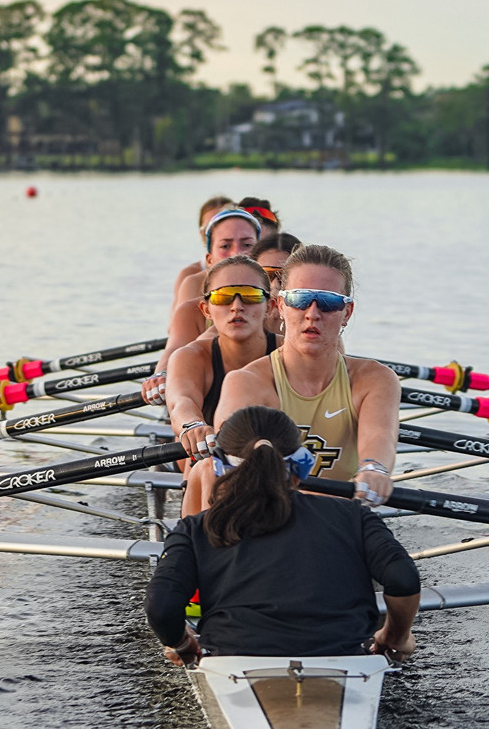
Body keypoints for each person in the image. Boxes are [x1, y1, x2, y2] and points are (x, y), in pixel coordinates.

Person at [146, 405, 420, 665]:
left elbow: (161, 607)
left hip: (233, 657)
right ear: (302, 466)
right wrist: (394, 637)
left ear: (218, 468)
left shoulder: (196, 527)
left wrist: (183, 646)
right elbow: (403, 578)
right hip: (342, 656)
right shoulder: (353, 516)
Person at [213, 244, 399, 508]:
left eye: (328, 302)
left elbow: (379, 436)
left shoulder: (375, 380)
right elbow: (229, 467)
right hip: (264, 516)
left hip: (336, 519)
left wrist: (374, 469)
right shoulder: (246, 383)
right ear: (280, 305)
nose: (313, 313)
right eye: (300, 299)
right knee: (201, 474)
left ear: (347, 312)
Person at [163, 256, 280, 515]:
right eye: (223, 297)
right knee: (206, 469)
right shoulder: (190, 357)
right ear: (206, 309)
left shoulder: (290, 354)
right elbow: (181, 402)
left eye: (250, 295)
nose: (236, 306)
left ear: (270, 305)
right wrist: (192, 425)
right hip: (211, 480)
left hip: (282, 478)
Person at [146, 207, 265, 399]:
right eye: (225, 246)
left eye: (247, 245)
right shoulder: (190, 308)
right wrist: (162, 374)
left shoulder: (275, 302)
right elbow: (175, 347)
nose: (237, 254)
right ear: (209, 259)